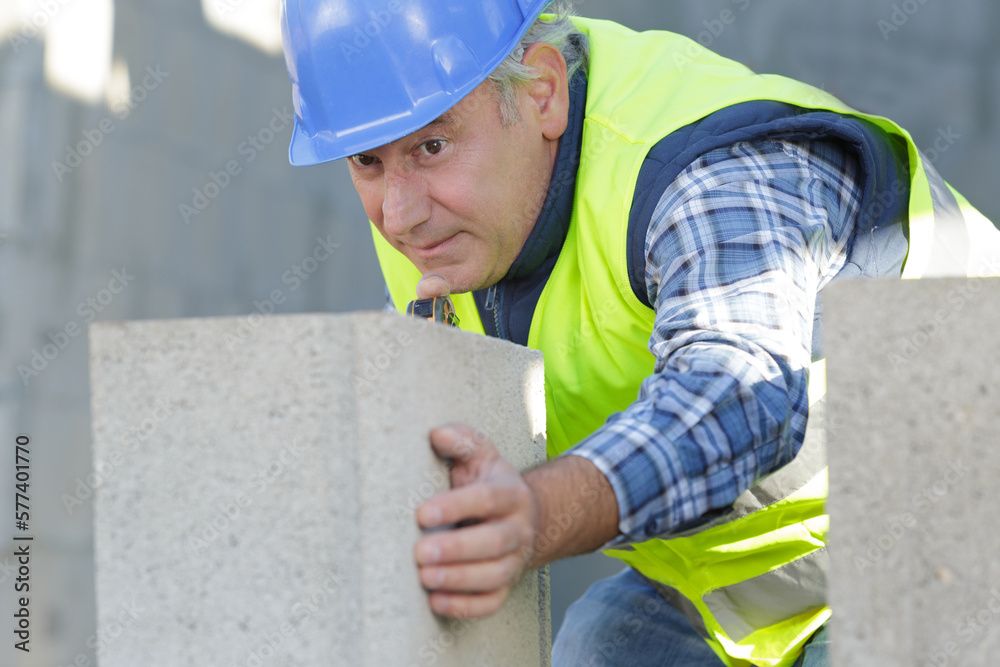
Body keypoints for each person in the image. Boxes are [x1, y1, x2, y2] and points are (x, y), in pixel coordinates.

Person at [279, 1, 1000, 665]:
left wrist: (538, 513)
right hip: (758, 590)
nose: (399, 214)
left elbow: (738, 395)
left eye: (433, 146)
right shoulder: (435, 229)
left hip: (959, 529)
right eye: (366, 161)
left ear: (543, 93)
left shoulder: (703, 173)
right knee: (601, 647)